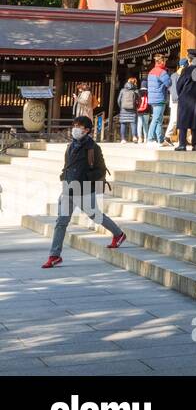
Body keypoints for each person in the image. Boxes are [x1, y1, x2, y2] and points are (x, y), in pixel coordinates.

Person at [42, 116, 127, 268]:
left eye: (79, 126)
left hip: (84, 188)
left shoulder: (93, 148)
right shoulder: (70, 145)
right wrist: (64, 177)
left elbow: (100, 170)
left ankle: (119, 234)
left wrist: (84, 179)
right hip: (68, 187)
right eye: (74, 125)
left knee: (96, 216)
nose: (75, 128)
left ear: (87, 130)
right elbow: (67, 165)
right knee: (61, 222)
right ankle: (54, 256)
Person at [174, 52, 196, 151]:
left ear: (189, 59)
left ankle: (182, 144)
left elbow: (179, 84)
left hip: (186, 98)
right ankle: (195, 145)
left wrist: (180, 94)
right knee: (195, 121)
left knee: (183, 121)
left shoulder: (187, 70)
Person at [145, 54, 172, 143]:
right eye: (165, 61)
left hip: (153, 98)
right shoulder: (162, 72)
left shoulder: (151, 71)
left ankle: (160, 139)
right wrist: (168, 73)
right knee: (156, 119)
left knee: (159, 119)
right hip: (160, 97)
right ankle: (150, 138)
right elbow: (168, 83)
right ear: (162, 62)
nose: (165, 63)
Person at [117, 78, 140, 143]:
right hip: (133, 110)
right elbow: (139, 101)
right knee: (133, 123)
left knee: (123, 124)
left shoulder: (122, 90)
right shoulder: (136, 91)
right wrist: (136, 107)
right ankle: (134, 137)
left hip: (123, 110)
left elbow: (118, 100)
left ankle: (123, 139)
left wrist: (121, 107)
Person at [163, 61, 181, 144]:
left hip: (177, 99)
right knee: (174, 119)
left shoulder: (175, 76)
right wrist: (176, 98)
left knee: (181, 119)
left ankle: (183, 138)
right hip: (176, 100)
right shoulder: (175, 76)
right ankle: (167, 136)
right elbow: (172, 89)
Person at [135, 76, 150, 141]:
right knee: (145, 124)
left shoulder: (137, 92)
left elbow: (135, 101)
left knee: (139, 124)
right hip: (147, 110)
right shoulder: (149, 92)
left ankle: (140, 138)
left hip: (139, 110)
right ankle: (146, 138)